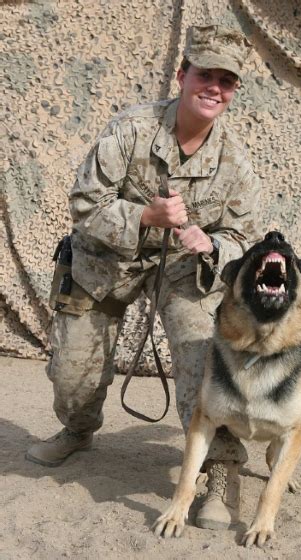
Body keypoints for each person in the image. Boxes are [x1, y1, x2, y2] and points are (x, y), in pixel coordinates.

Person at [26, 24, 261, 530]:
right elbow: (84, 205)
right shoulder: (130, 129)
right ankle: (78, 429)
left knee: (204, 359)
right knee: (72, 374)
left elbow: (245, 239)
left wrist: (214, 244)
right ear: (182, 75)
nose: (213, 88)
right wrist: (144, 218)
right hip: (106, 261)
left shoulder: (236, 162)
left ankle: (221, 469)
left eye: (227, 80)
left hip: (181, 270)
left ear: (235, 90)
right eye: (204, 74)